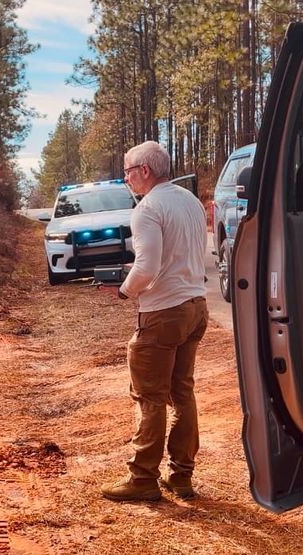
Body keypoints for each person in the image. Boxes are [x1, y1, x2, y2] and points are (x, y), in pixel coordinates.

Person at [99, 141, 209, 502]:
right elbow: (180, 253)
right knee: (183, 392)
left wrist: (123, 291)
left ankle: (143, 478)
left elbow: (147, 268)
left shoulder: (147, 209)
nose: (126, 178)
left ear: (145, 171)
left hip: (163, 313)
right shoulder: (190, 201)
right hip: (195, 307)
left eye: (128, 171)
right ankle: (181, 476)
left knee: (150, 397)